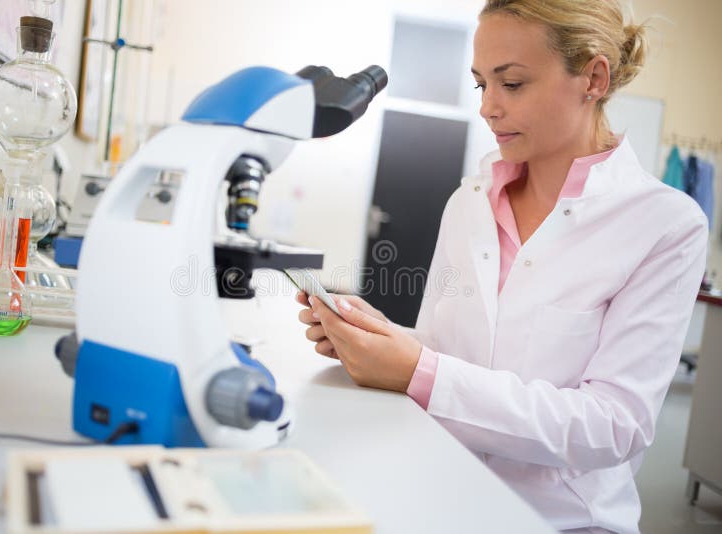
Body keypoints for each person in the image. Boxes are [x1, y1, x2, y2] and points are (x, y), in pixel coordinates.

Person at [296, 1, 708, 532]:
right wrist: (378, 339)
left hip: (561, 520)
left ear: (593, 79)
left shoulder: (665, 225)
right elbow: (444, 353)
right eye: (480, 84)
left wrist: (417, 370)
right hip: (439, 489)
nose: (488, 108)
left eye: (511, 84)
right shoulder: (468, 202)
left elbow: (613, 426)